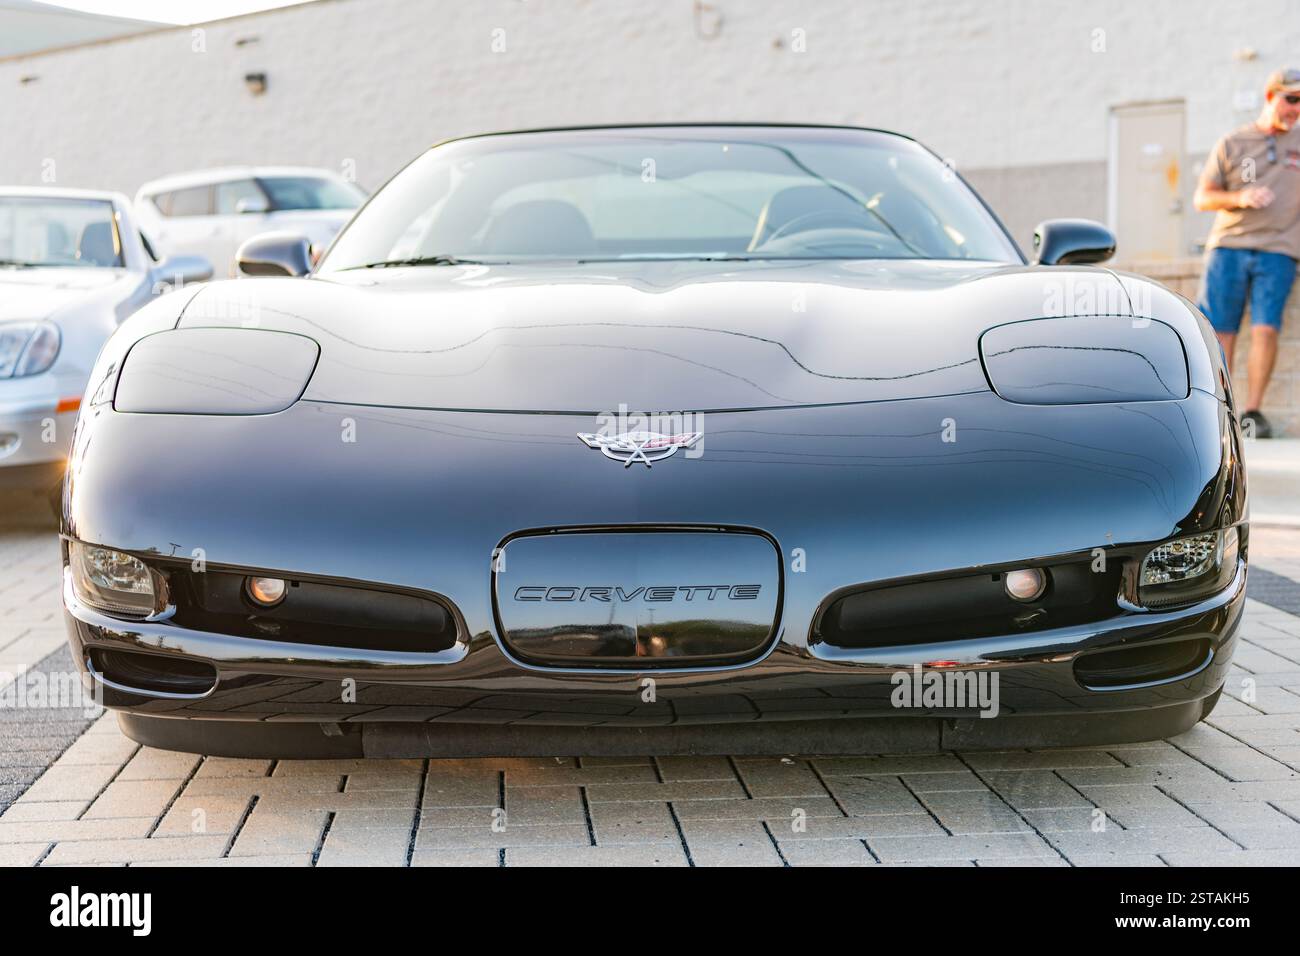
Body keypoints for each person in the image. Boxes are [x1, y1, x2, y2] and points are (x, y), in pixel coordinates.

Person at [1194, 68, 1300, 438]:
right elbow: (1202, 198)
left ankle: (1253, 413)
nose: (1296, 109)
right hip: (1229, 248)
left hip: (1280, 251)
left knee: (1265, 330)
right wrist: (1240, 198)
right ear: (1271, 97)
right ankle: (1220, 411)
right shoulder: (1234, 142)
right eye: (1292, 99)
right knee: (1222, 334)